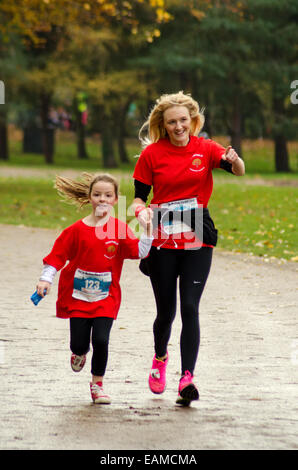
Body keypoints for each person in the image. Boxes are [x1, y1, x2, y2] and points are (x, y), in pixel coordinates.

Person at [132, 91, 245, 406]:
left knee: (190, 307)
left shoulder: (206, 148)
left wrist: (236, 161)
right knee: (166, 312)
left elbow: (238, 171)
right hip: (164, 235)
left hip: (198, 233)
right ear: (164, 125)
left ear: (192, 120)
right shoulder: (152, 154)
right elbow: (139, 196)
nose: (179, 126)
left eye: (183, 120)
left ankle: (187, 378)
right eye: (172, 122)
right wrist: (140, 211)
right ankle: (159, 357)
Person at [34, 172, 153, 404]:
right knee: (79, 344)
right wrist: (45, 279)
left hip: (106, 298)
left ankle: (97, 385)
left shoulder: (118, 229)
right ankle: (78, 353)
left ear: (116, 200)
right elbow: (56, 257)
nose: (102, 199)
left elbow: (140, 252)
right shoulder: (75, 230)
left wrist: (147, 229)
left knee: (101, 339)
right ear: (89, 198)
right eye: (97, 194)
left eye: (108, 195)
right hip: (78, 296)